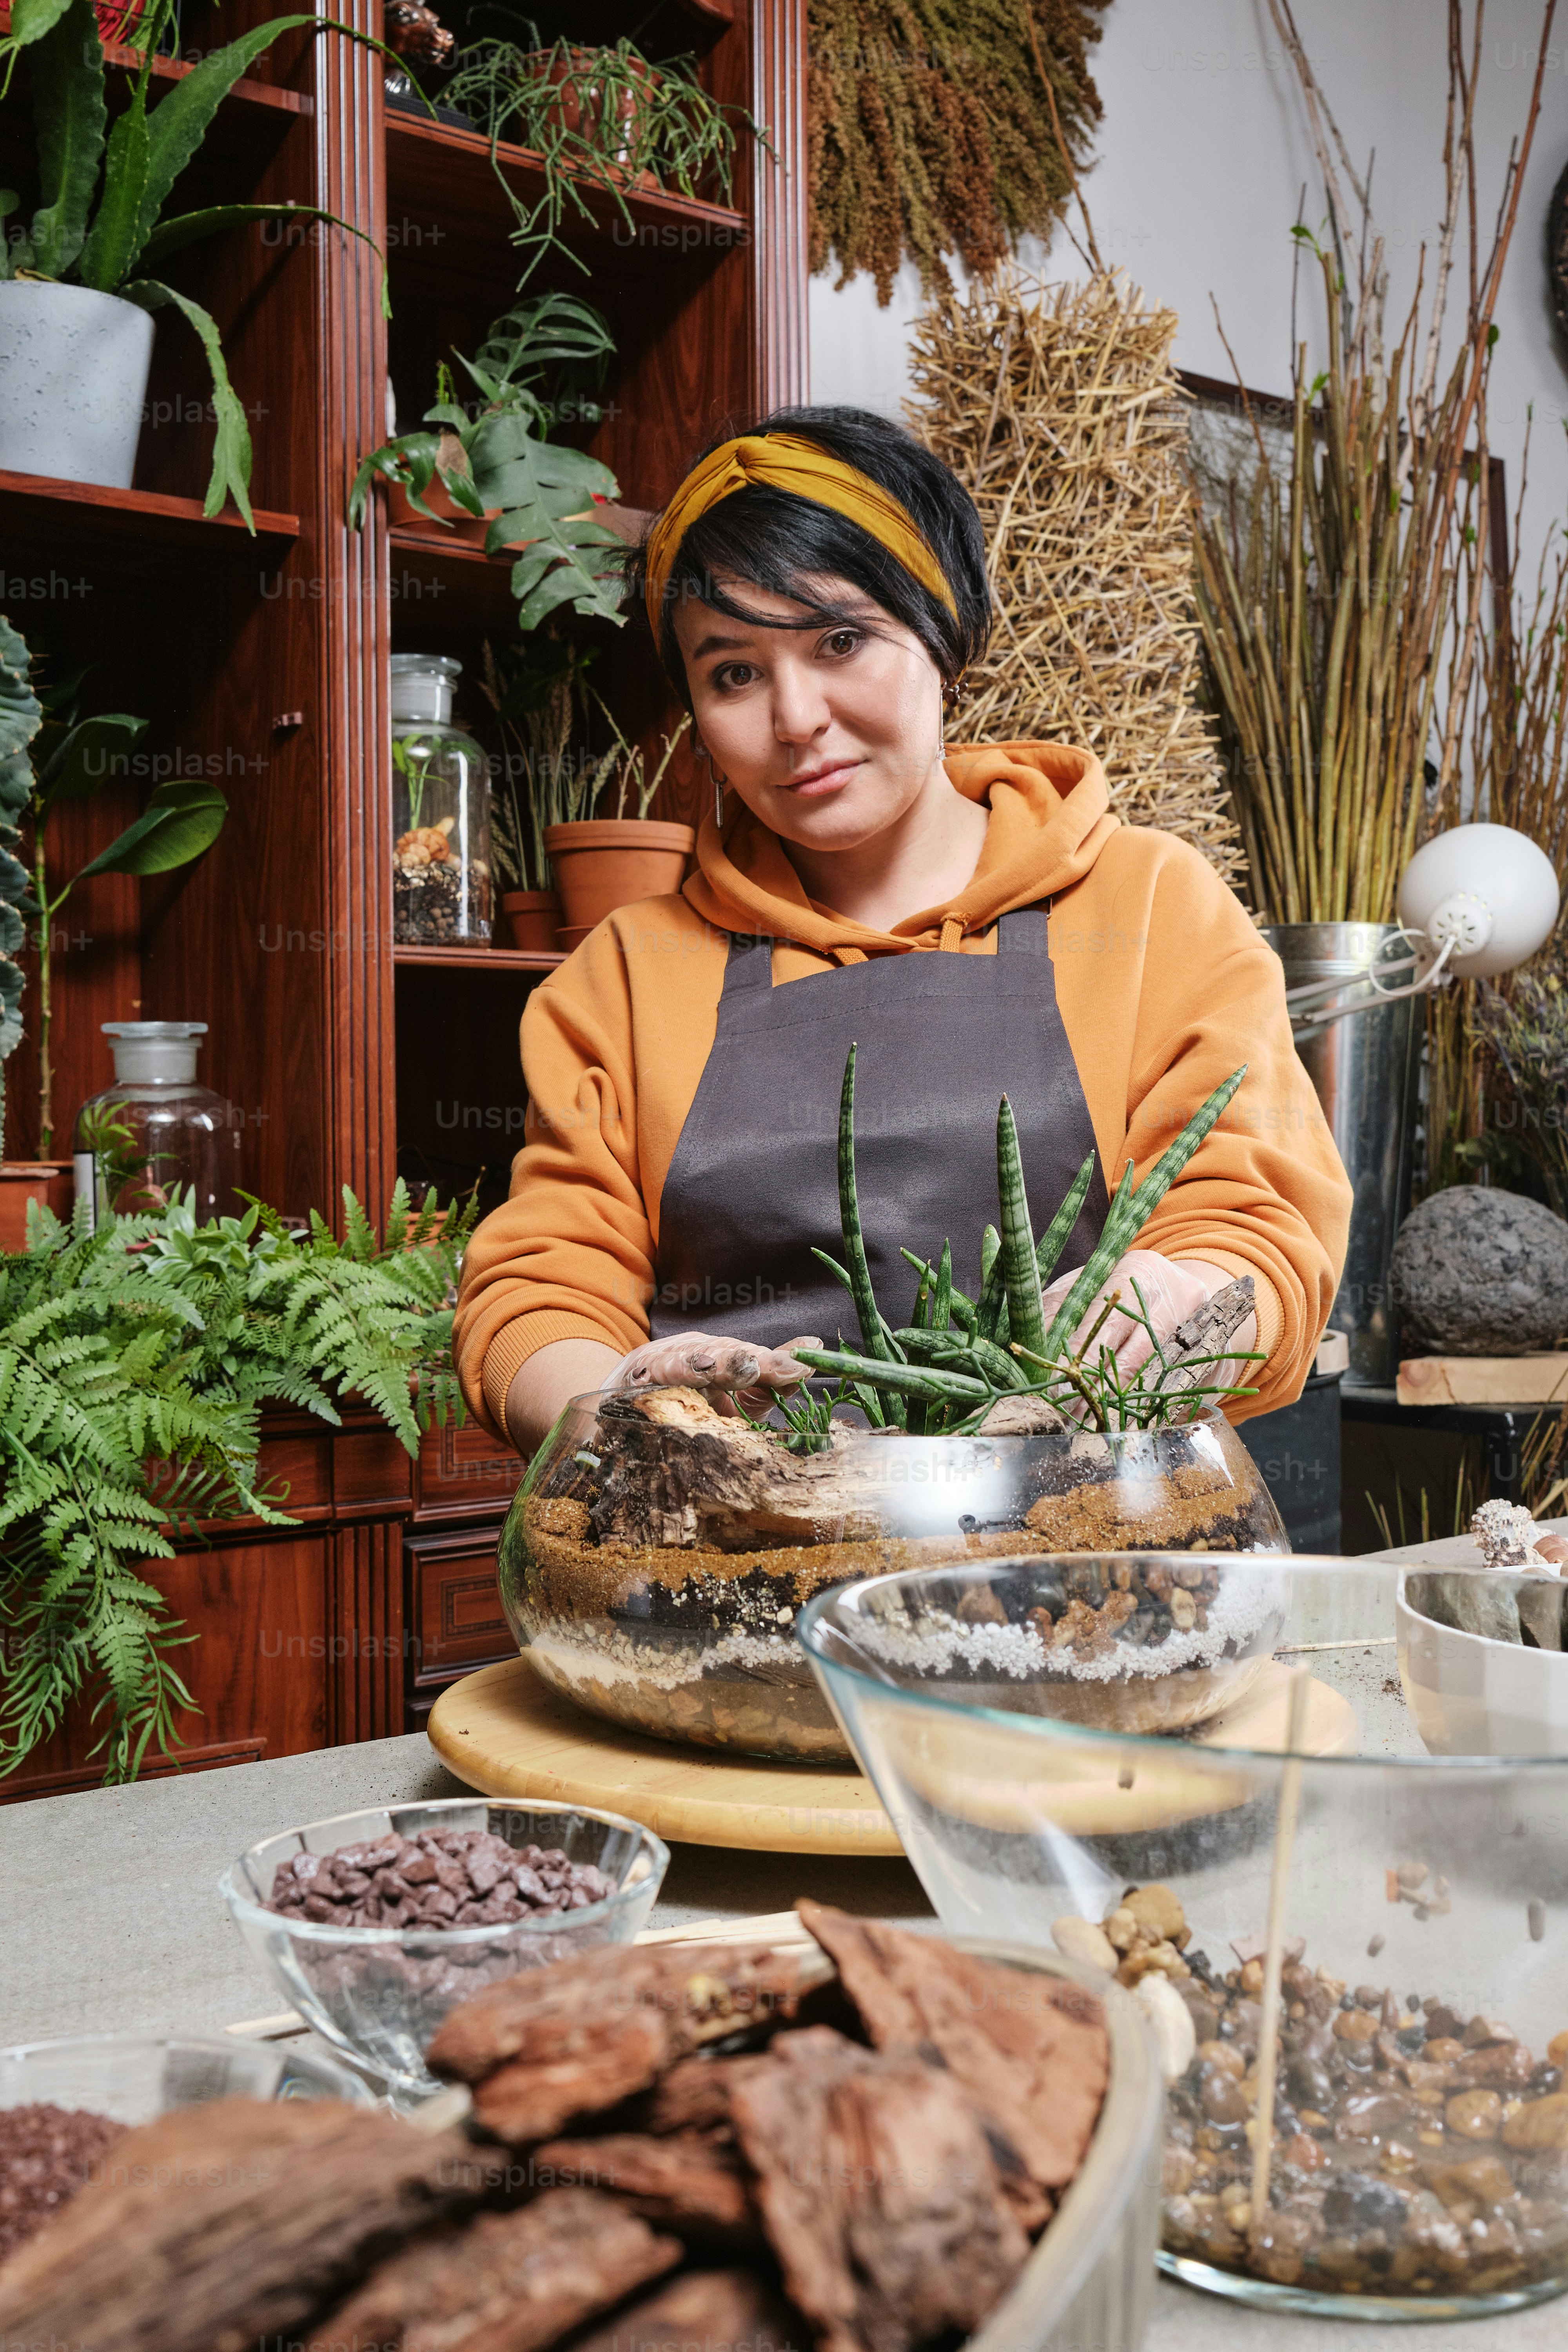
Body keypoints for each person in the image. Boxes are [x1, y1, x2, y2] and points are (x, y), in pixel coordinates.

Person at [454, 407, 1351, 1455]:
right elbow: (544, 1286)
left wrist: (1186, 1294)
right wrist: (618, 1410)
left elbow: (1258, 1228)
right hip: (725, 1561)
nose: (795, 718)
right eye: (732, 672)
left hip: (1082, 1560)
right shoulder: (623, 974)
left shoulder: (1149, 906)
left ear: (944, 630)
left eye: (842, 640)